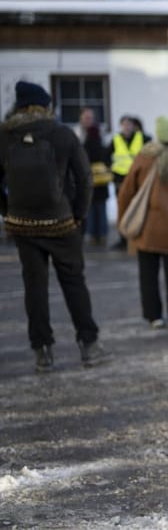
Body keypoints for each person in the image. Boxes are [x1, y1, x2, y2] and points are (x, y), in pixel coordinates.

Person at [0, 80, 109, 372]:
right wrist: (78, 215)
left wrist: (7, 211)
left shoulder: (5, 135)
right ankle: (89, 346)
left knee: (34, 288)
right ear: (46, 105)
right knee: (73, 284)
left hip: (22, 224)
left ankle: (42, 351)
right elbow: (84, 177)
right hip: (62, 223)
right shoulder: (61, 133)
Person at [117, 116, 168, 329]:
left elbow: (125, 193)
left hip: (147, 228)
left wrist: (123, 220)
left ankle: (153, 316)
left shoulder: (143, 159)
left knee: (148, 274)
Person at [108, 114, 150, 250]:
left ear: (134, 126)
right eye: (124, 124)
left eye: (129, 124)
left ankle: (139, 237)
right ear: (121, 126)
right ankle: (123, 239)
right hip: (120, 181)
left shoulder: (142, 138)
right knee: (123, 210)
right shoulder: (115, 140)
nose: (127, 127)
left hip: (138, 180)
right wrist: (112, 170)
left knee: (139, 209)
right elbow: (105, 156)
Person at [83, 117, 112, 247]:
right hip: (102, 182)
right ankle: (103, 234)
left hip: (90, 182)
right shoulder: (102, 146)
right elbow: (108, 161)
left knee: (91, 210)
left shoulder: (85, 146)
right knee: (102, 210)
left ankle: (92, 235)